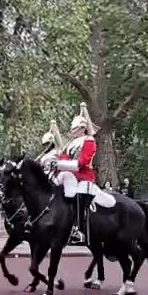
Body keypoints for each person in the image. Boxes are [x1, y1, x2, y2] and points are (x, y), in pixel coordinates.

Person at [47, 103, 114, 243]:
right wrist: (53, 164)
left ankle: (77, 229)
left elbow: (81, 163)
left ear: (82, 128)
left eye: (75, 128)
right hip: (70, 176)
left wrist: (59, 164)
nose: (72, 131)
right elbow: (64, 158)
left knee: (77, 195)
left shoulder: (89, 141)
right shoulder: (71, 143)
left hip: (84, 177)